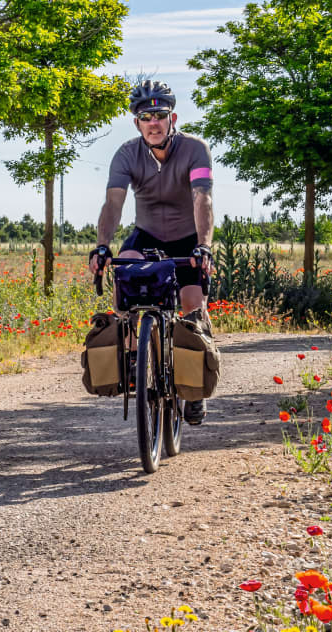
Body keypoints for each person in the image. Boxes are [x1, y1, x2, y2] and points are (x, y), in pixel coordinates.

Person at [88, 80, 215, 425]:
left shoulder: (195, 150)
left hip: (187, 239)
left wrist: (203, 246)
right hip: (147, 237)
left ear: (172, 117)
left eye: (160, 115)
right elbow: (113, 203)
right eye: (146, 116)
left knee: (192, 306)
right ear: (137, 123)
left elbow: (202, 198)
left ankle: (195, 387)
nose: (154, 122)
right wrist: (103, 244)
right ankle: (134, 357)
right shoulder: (126, 154)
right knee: (125, 274)